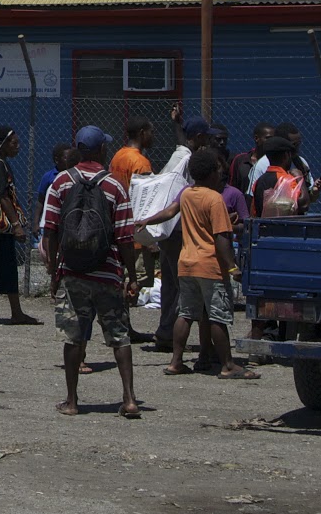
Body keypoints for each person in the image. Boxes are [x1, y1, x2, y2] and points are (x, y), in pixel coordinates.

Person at [42, 124, 140, 418]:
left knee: (74, 336)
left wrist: (54, 271)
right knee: (119, 336)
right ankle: (130, 399)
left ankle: (72, 401)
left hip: (72, 273)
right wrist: (130, 275)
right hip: (107, 272)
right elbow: (125, 236)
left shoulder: (59, 183)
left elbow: (49, 231)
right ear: (101, 149)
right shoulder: (114, 186)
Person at [139, 148, 257, 379]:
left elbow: (170, 212)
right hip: (210, 266)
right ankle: (228, 365)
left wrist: (146, 220)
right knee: (217, 316)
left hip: (187, 264)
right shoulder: (215, 200)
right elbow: (222, 238)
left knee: (186, 314)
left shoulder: (186, 194)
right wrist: (232, 267)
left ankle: (176, 361)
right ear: (213, 173)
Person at [151, 111, 209, 352]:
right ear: (198, 137)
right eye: (206, 137)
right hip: (176, 229)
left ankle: (165, 330)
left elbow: (182, 143)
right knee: (180, 285)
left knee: (170, 284)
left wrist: (176, 124)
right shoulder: (187, 160)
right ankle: (169, 333)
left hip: (168, 231)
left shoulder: (180, 154)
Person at [0, 126, 38, 325]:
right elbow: (2, 197)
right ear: (3, 144)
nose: (18, 147)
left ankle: (16, 312)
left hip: (3, 228)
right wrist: (16, 224)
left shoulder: (4, 164)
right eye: (14, 143)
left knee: (10, 268)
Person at [110, 116, 155, 298]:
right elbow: (148, 199)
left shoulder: (117, 156)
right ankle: (121, 323)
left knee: (123, 278)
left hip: (120, 226)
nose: (153, 137)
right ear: (142, 133)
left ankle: (123, 322)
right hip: (137, 230)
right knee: (138, 279)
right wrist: (151, 239)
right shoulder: (140, 162)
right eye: (152, 133)